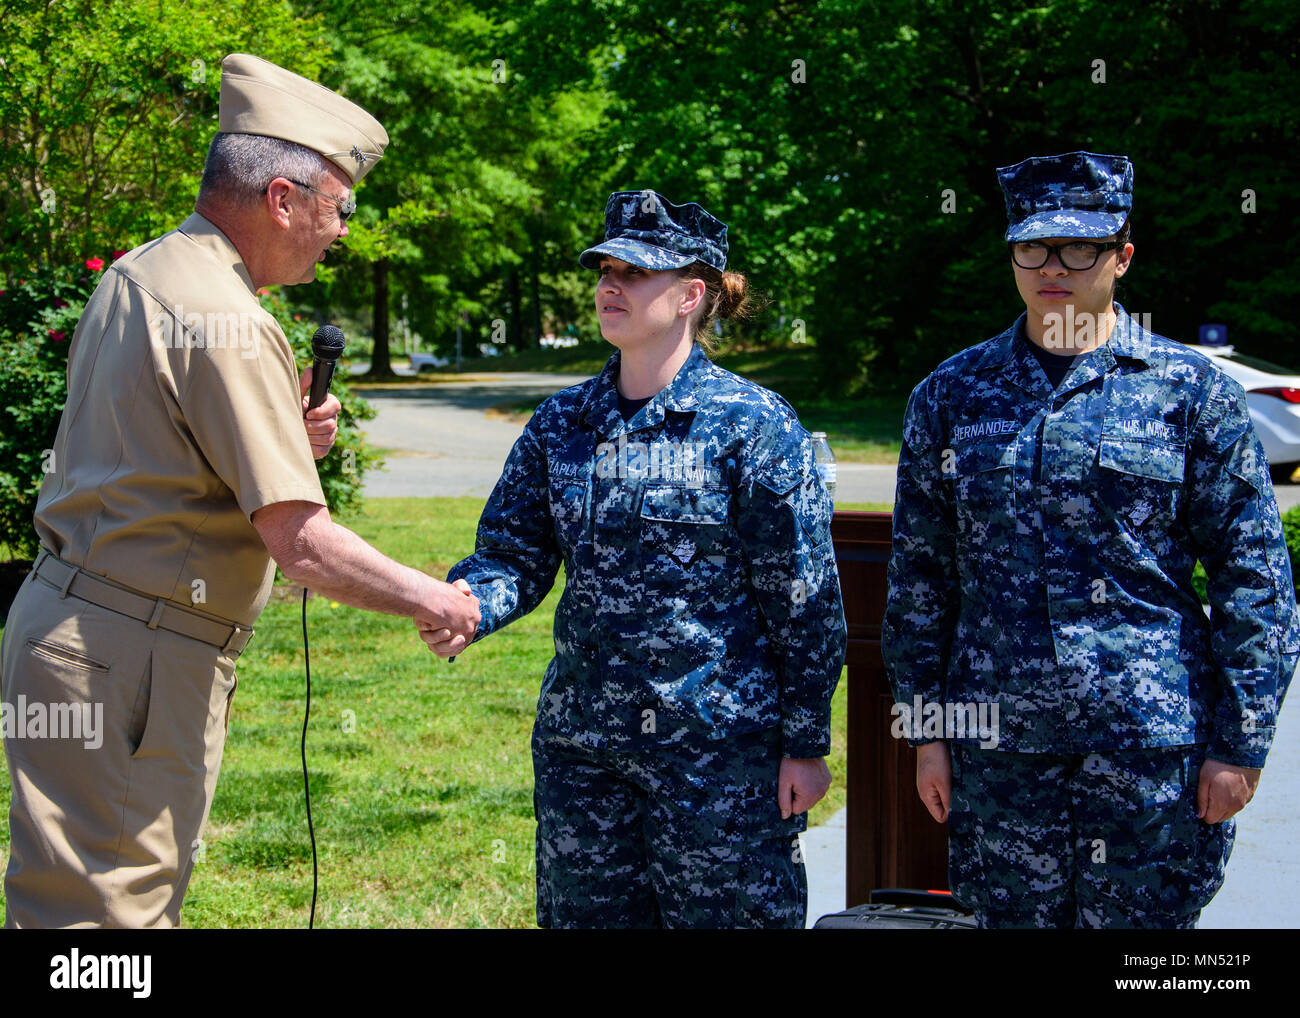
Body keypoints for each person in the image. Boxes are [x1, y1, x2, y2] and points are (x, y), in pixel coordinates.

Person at [1, 53, 479, 929]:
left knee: (68, 903)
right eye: (340, 209)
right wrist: (435, 598)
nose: (341, 232)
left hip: (72, 634)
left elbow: (146, 457)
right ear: (283, 198)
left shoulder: (141, 273)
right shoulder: (232, 321)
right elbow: (302, 543)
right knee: (113, 922)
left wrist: (277, 444)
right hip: (132, 656)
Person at [882, 150, 1300, 928]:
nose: (1054, 267)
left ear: (1122, 255)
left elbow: (1255, 579)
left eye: (1080, 248)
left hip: (1149, 751)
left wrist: (1241, 745)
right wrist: (927, 735)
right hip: (1000, 753)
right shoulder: (950, 394)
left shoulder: (1189, 391)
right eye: (1033, 247)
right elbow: (920, 581)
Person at [419, 190, 846, 928]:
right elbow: (513, 555)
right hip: (584, 751)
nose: (610, 285)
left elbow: (803, 598)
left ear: (690, 295)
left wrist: (805, 743)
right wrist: (469, 606)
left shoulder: (754, 424)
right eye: (604, 269)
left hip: (719, 756)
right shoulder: (563, 422)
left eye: (635, 272)